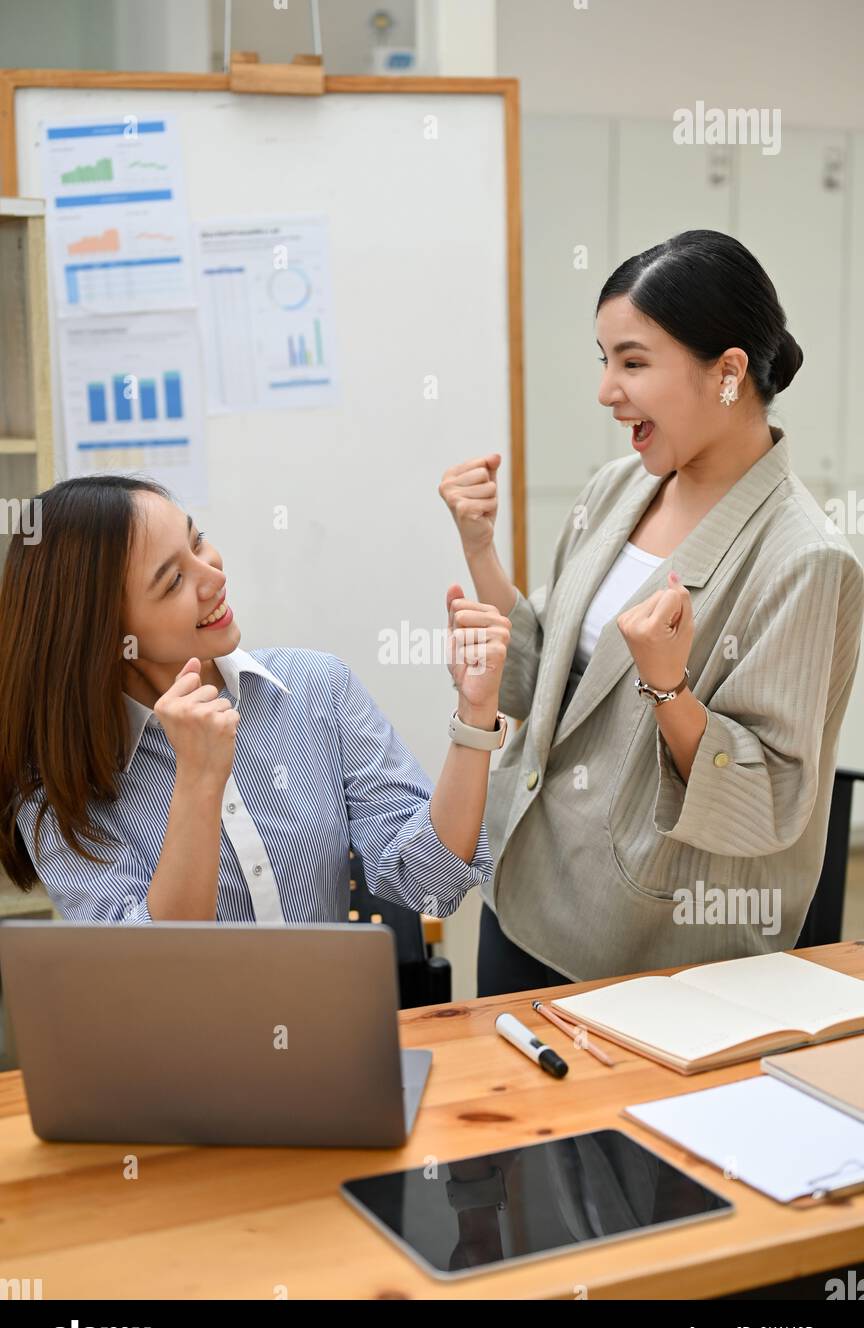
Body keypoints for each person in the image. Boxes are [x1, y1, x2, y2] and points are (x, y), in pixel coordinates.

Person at [440, 229, 864, 995]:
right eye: (605, 361)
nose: (607, 391)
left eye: (633, 362)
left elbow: (769, 800)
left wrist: (670, 688)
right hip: (525, 889)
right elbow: (552, 683)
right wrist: (482, 554)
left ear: (729, 373)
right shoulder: (617, 488)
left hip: (649, 947)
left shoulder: (807, 560)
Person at [0, 476, 511, 926]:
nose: (215, 576)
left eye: (198, 541)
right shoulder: (59, 791)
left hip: (328, 1032)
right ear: (108, 635)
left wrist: (475, 711)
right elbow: (157, 974)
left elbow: (432, 882)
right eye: (175, 579)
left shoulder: (316, 688)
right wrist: (199, 777)